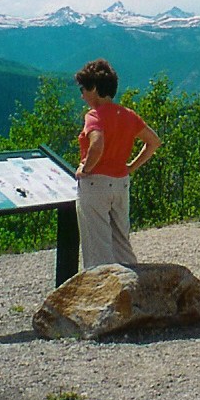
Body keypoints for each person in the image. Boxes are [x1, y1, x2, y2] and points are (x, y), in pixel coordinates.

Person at [74, 58, 161, 269]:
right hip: (121, 182)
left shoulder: (94, 116)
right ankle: (132, 289)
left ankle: (102, 293)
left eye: (83, 88)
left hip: (96, 185)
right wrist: (131, 166)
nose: (82, 94)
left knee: (98, 246)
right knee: (121, 241)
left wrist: (85, 169)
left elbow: (97, 144)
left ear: (94, 89)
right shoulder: (127, 115)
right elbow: (153, 141)